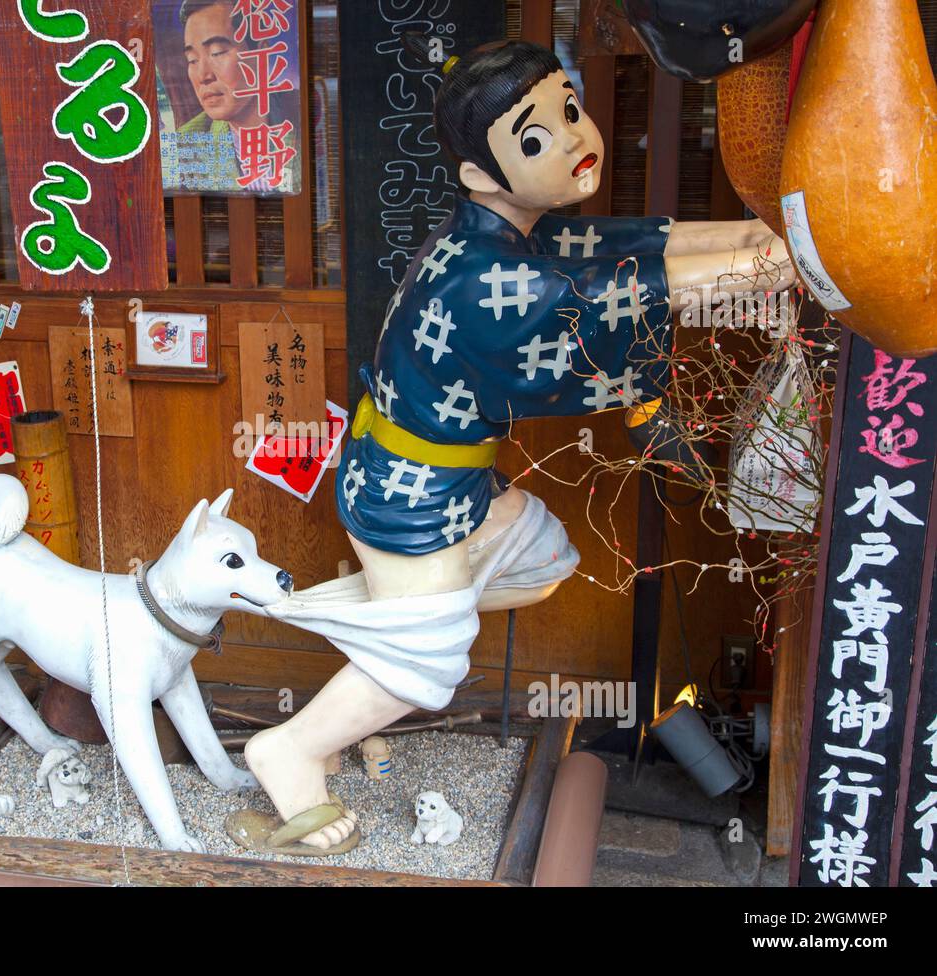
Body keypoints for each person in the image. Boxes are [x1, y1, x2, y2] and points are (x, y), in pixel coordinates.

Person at [230, 38, 794, 854]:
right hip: (408, 491)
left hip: (446, 480)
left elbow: (622, 252)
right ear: (479, 177)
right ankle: (293, 747)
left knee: (541, 558)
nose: (573, 139)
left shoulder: (504, 236)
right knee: (429, 669)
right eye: (536, 138)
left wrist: (753, 239)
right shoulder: (481, 278)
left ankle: (397, 625)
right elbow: (607, 296)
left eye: (569, 109)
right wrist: (769, 264)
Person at [166, 0, 299, 193]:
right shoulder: (188, 142)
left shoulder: (302, 111)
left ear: (259, 53)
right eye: (192, 60)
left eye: (217, 53)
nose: (203, 76)